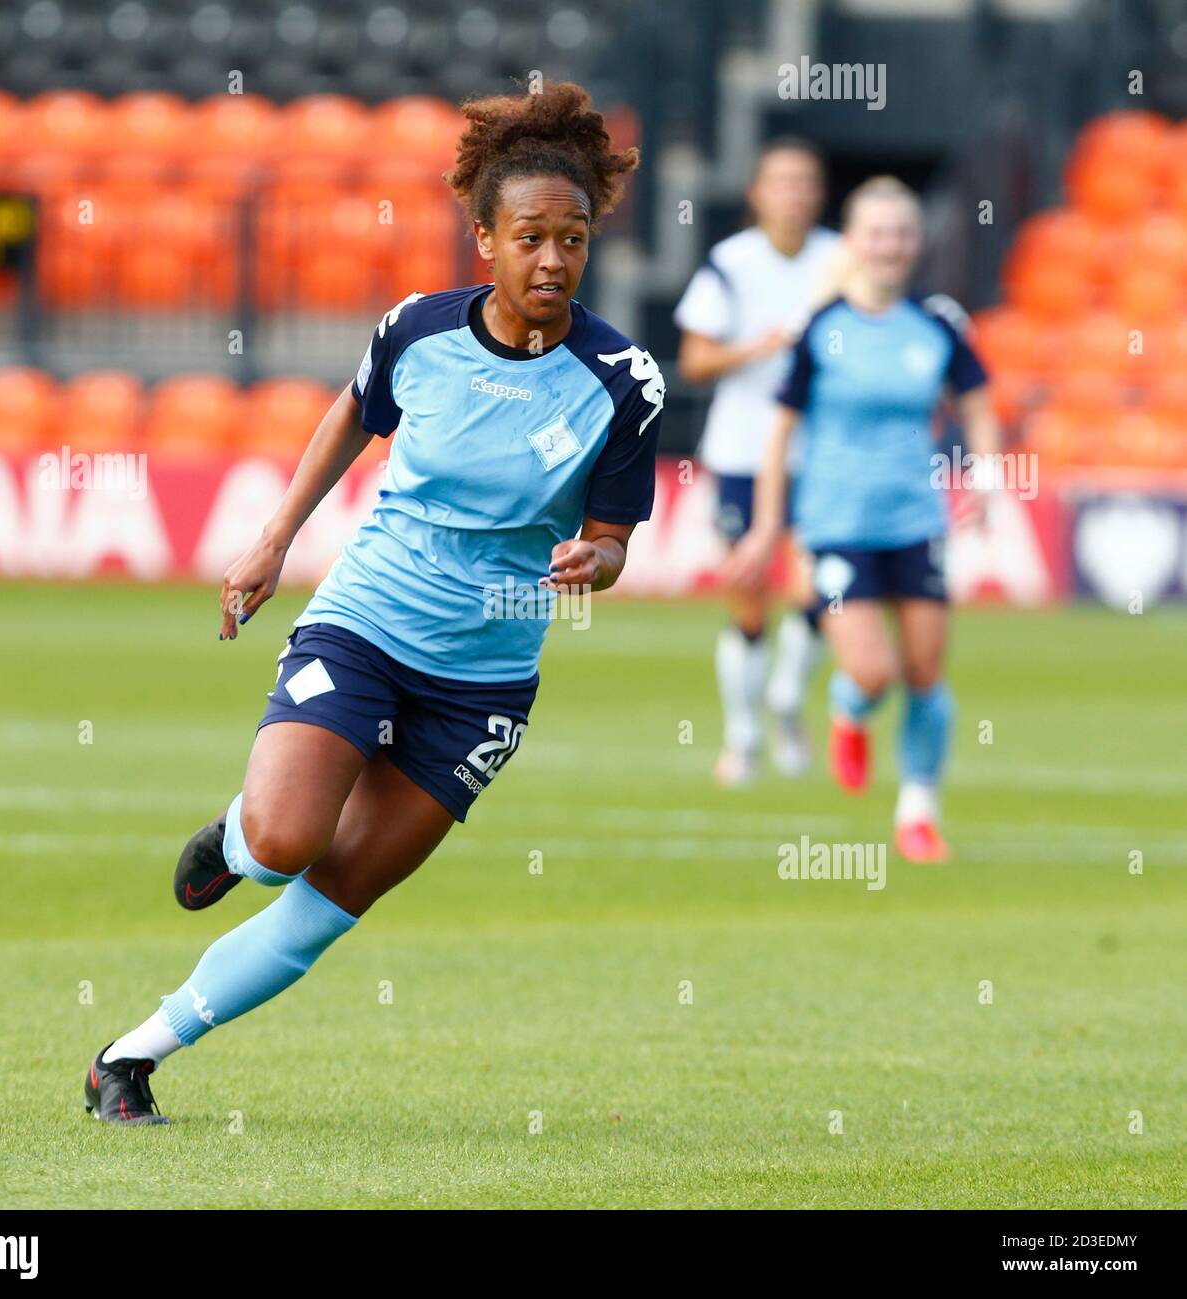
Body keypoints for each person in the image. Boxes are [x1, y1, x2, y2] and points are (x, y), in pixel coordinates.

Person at [83, 82, 664, 1123]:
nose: (551, 261)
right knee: (285, 841)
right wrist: (273, 539)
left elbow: (615, 537)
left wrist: (598, 562)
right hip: (367, 623)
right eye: (529, 237)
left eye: (571, 241)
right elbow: (350, 418)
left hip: (485, 679)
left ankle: (128, 1059)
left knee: (329, 905)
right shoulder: (417, 333)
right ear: (483, 237)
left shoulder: (623, 380)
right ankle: (236, 841)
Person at [726, 176, 998, 863]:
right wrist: (766, 525)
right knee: (874, 671)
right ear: (853, 243)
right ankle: (850, 710)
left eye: (902, 233)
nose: (890, 245)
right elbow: (780, 432)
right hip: (835, 524)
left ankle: (917, 811)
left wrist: (987, 474)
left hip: (916, 521)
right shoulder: (825, 328)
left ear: (916, 243)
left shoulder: (935, 325)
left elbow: (977, 402)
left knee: (927, 670)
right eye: (876, 233)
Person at [674, 138, 841, 787]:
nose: (794, 193)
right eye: (782, 181)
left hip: (821, 453)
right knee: (748, 600)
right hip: (745, 449)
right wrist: (763, 347)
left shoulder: (841, 260)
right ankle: (742, 735)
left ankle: (788, 700)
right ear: (758, 193)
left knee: (821, 588)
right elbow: (694, 360)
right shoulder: (730, 263)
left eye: (805, 181)